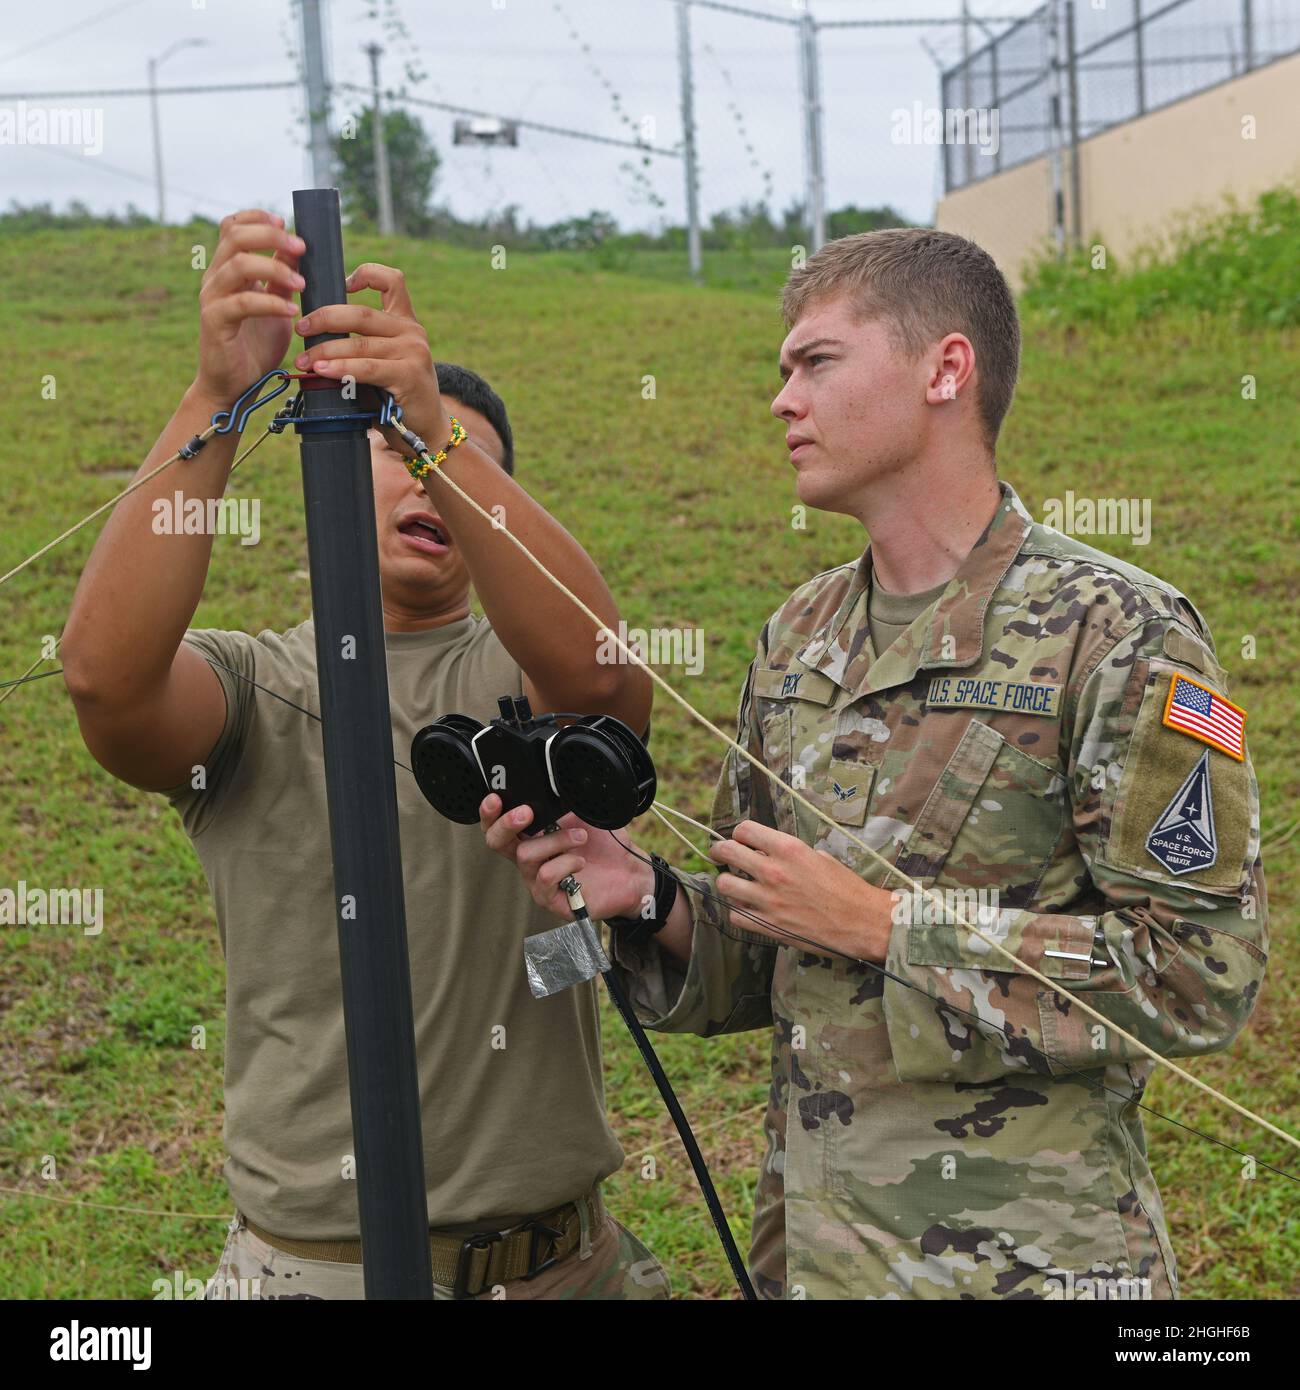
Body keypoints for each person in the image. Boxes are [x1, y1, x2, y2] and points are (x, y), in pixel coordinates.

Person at [478, 227, 1268, 1301]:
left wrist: (888, 926)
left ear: (946, 369)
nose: (781, 401)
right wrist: (647, 895)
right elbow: (766, 955)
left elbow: (1197, 976)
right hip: (812, 1264)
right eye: (782, 371)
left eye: (817, 362)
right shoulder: (797, 637)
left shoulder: (1122, 632)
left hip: (1028, 1271)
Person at [61, 208, 666, 1300]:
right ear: (331, 475)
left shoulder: (531, 680)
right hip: (315, 1273)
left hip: (562, 1268)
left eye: (447, 456)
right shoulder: (257, 690)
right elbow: (108, 683)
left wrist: (433, 429)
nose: (422, 473)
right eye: (388, 448)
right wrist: (216, 399)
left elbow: (606, 679)